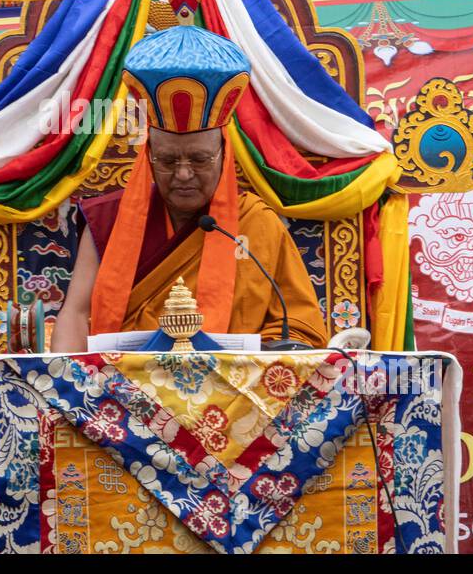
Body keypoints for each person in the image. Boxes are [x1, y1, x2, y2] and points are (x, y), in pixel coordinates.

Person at [52, 25, 329, 351]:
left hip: (238, 395)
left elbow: (299, 329)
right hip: (124, 394)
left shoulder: (257, 223)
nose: (183, 174)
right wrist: (70, 383)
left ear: (224, 156)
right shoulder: (108, 220)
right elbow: (75, 313)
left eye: (199, 159)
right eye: (168, 161)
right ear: (149, 157)